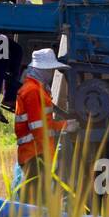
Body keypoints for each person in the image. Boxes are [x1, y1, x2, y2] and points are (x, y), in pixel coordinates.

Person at [13, 49, 71, 201]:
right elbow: (40, 129)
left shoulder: (35, 89)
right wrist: (65, 126)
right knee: (34, 203)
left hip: (33, 153)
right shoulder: (33, 92)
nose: (52, 73)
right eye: (50, 69)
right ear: (42, 70)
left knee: (34, 201)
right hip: (35, 155)